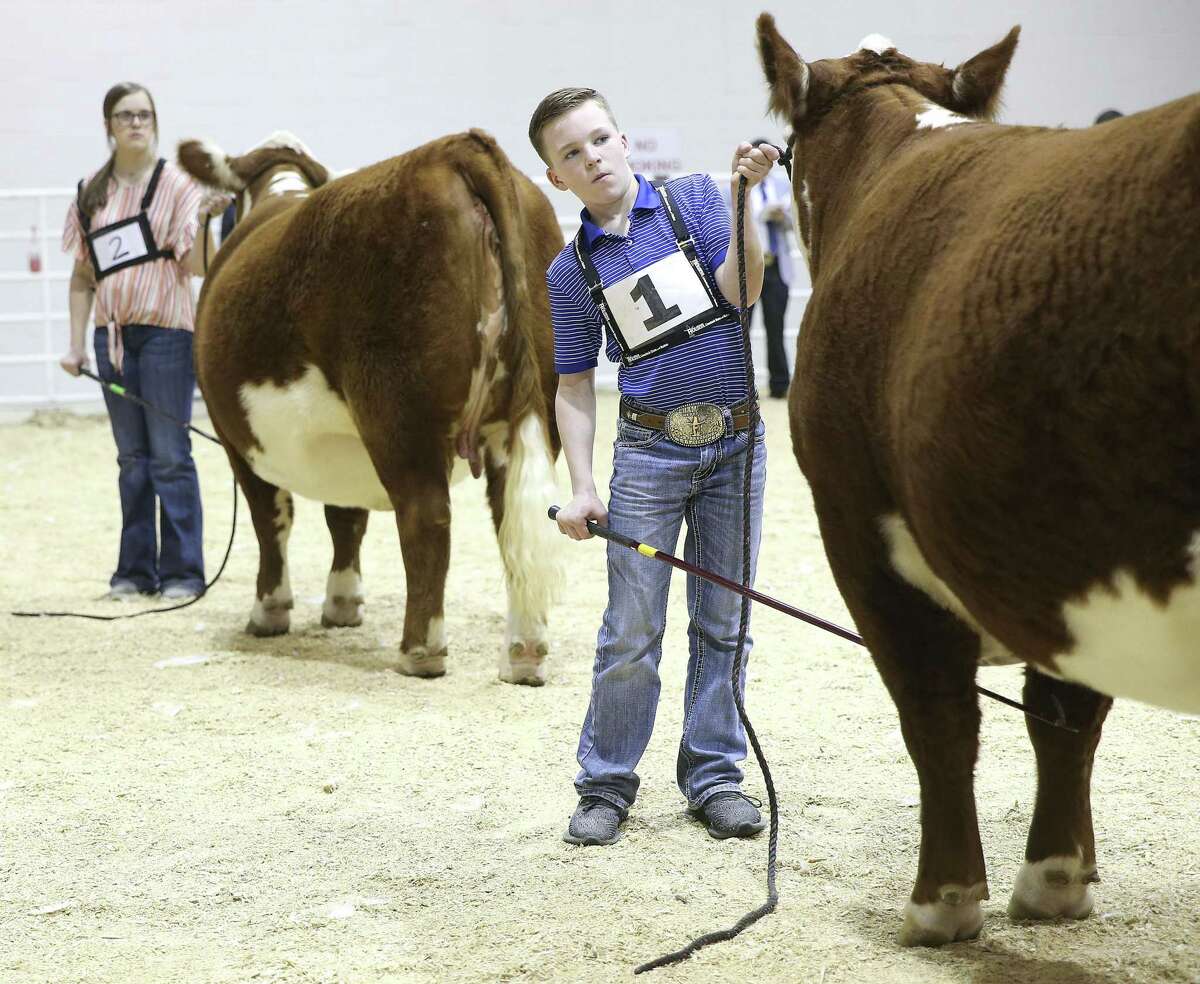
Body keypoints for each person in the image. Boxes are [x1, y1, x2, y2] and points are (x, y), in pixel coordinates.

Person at [528, 87, 779, 846]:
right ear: (556, 177)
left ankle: (715, 777)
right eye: (572, 153)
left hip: (737, 445)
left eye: (600, 139)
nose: (593, 158)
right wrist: (581, 487)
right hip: (648, 455)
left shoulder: (695, 199)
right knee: (631, 628)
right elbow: (574, 385)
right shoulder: (571, 272)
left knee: (725, 621)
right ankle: (606, 784)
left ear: (624, 139)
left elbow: (742, 290)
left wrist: (743, 202)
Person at [59, 81, 230, 601]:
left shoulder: (177, 185)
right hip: (111, 338)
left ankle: (183, 573)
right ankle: (134, 572)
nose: (136, 123)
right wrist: (76, 345)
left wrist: (206, 223)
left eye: (144, 115)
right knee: (132, 459)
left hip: (166, 338)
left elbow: (197, 266)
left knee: (170, 455)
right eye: (125, 115)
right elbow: (83, 277)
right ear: (108, 126)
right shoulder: (91, 191)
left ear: (154, 122)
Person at [747, 138, 795, 398]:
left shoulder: (782, 186)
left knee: (776, 328)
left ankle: (780, 385)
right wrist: (762, 214)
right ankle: (742, 387)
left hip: (776, 266)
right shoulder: (739, 187)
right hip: (750, 267)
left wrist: (782, 216)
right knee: (742, 331)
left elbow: (796, 221)